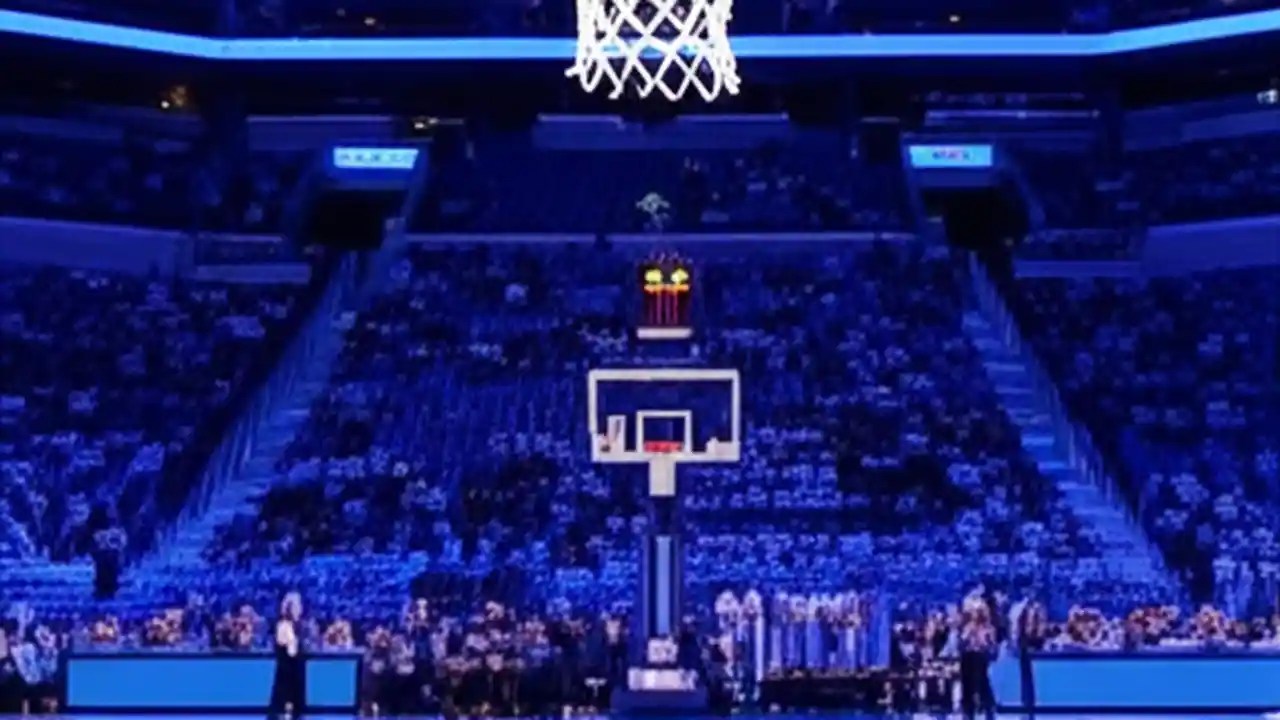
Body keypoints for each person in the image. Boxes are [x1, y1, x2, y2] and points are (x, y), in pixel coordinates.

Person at [269, 592, 306, 720]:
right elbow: (291, 651)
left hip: (293, 674)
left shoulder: (297, 626)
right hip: (287, 674)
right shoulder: (284, 626)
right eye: (297, 606)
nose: (300, 609)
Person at [959, 598, 997, 720]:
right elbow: (961, 643)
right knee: (967, 685)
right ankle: (968, 711)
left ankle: (988, 708)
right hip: (967, 657)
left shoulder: (988, 628)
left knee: (983, 683)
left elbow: (992, 646)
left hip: (980, 658)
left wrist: (985, 644)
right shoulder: (966, 627)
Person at [1017, 602, 1046, 719]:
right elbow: (1021, 627)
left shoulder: (1038, 609)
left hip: (1031, 644)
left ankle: (1029, 703)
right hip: (1023, 644)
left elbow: (1040, 627)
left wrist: (1037, 643)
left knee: (1029, 676)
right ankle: (1026, 702)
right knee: (1025, 675)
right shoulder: (1023, 608)